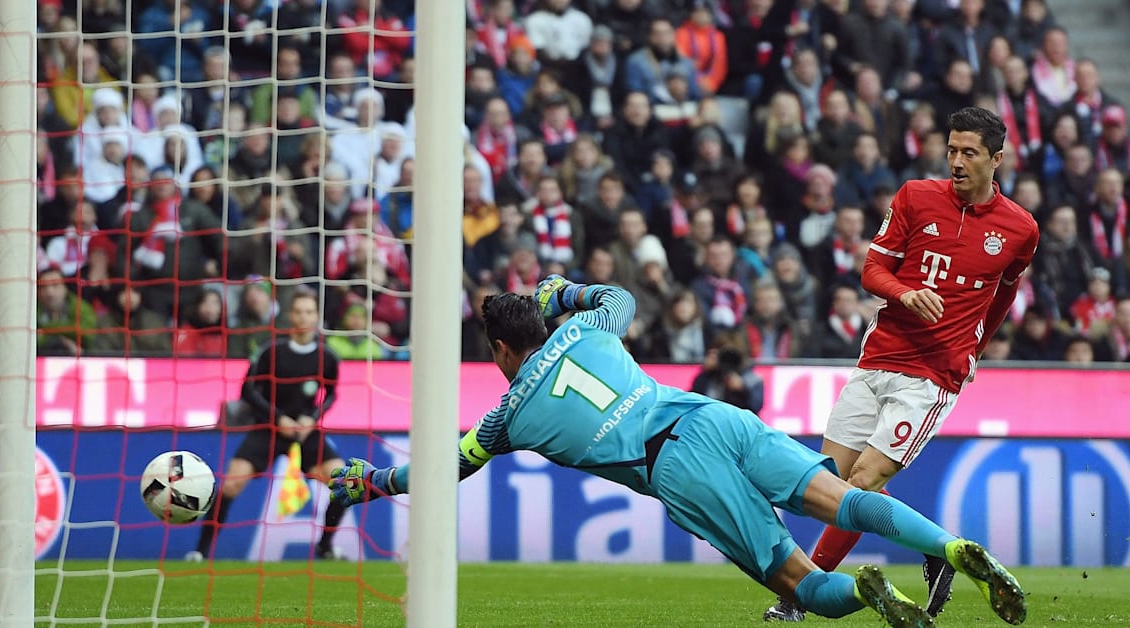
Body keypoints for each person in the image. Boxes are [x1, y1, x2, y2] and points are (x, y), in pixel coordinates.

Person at [328, 276, 1027, 628]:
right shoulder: (589, 327)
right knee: (848, 499)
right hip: (711, 417)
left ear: (503, 350)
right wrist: (562, 290)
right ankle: (957, 547)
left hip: (676, 468)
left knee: (803, 586)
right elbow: (621, 294)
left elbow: (447, 466)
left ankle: (876, 596)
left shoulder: (504, 417)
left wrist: (374, 480)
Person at [764, 107, 1040, 622]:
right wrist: (906, 293)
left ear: (997, 159)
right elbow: (872, 270)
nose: (956, 162)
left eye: (969, 153)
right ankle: (939, 550)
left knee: (863, 483)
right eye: (952, 150)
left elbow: (1004, 293)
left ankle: (797, 596)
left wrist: (975, 349)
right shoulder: (915, 195)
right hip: (878, 357)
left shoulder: (1019, 229)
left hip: (933, 374)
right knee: (828, 487)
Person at [188, 290, 347, 562]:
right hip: (269, 428)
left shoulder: (327, 357)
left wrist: (314, 417)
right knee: (232, 483)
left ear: (317, 316)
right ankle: (201, 551)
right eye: (299, 311)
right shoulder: (271, 350)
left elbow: (331, 393)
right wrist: (277, 419)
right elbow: (248, 390)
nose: (304, 317)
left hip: (305, 431)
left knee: (343, 481)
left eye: (309, 312)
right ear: (290, 315)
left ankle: (325, 546)